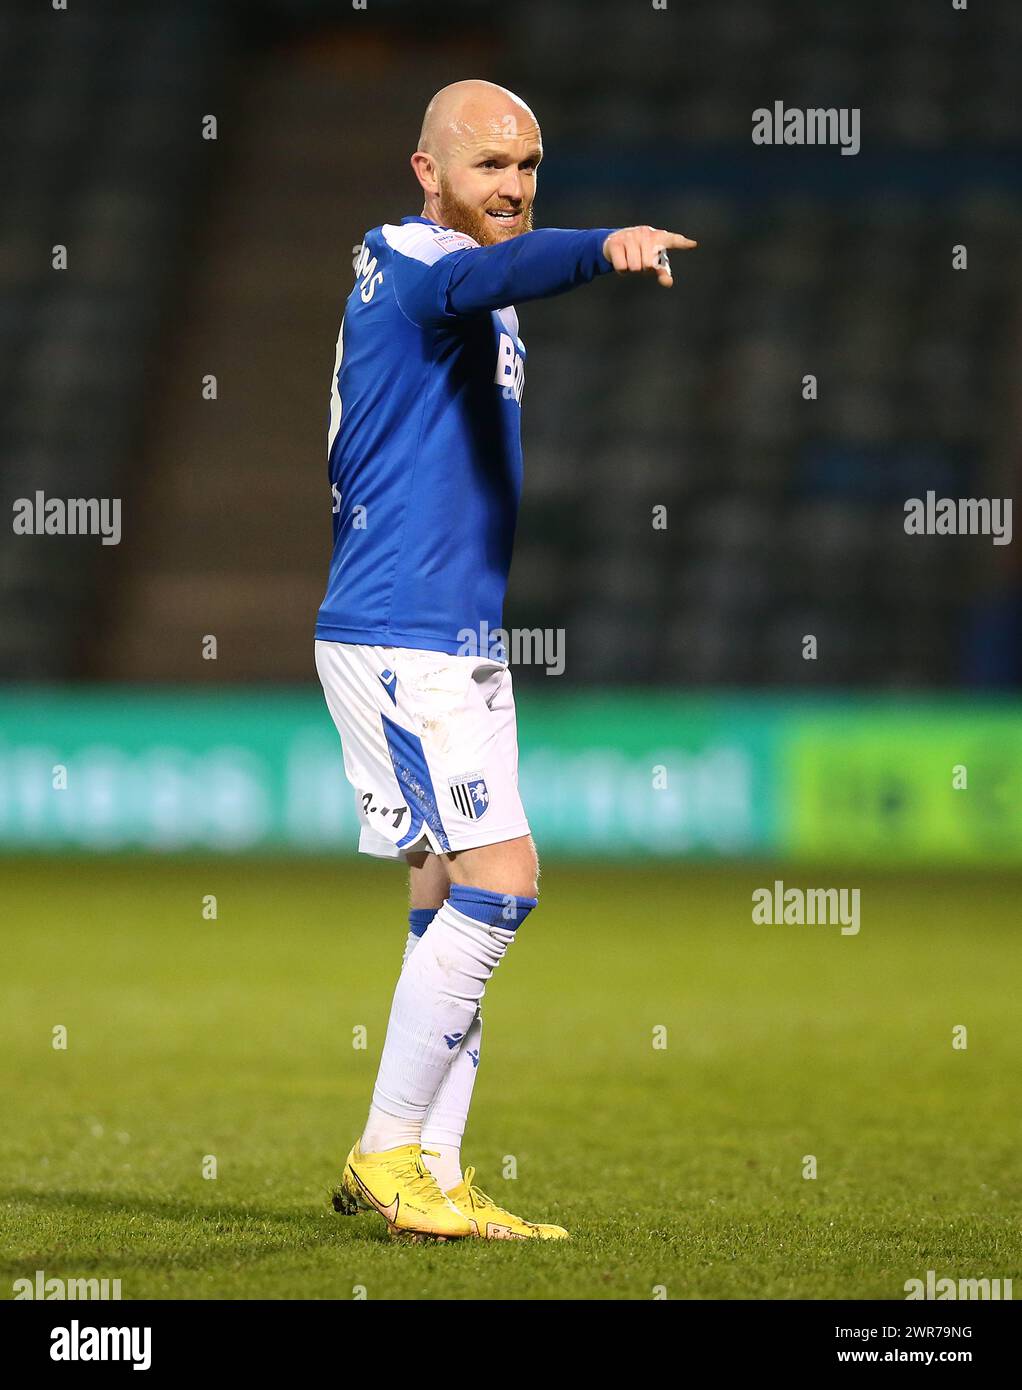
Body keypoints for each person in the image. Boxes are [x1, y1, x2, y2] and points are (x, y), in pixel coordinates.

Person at [315, 78, 697, 1241]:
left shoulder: (451, 277)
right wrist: (600, 247)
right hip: (406, 633)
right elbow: (502, 270)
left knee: (446, 896)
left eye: (528, 165)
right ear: (425, 170)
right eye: (488, 164)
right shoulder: (415, 258)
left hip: (446, 637)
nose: (514, 185)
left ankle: (428, 1171)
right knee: (504, 882)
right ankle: (387, 1151)